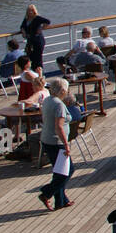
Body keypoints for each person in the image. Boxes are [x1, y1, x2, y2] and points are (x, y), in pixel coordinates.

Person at [37, 79, 74, 211]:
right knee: (67, 171)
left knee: (59, 171)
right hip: (56, 142)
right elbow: (59, 127)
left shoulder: (47, 100)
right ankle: (46, 192)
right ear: (63, 91)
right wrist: (66, 144)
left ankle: (61, 200)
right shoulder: (58, 104)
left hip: (47, 139)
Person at [19, 4, 51, 73]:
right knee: (31, 58)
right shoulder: (26, 19)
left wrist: (41, 28)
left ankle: (40, 77)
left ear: (34, 11)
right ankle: (35, 75)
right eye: (28, 11)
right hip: (30, 41)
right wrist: (23, 31)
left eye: (31, 11)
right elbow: (22, 26)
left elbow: (48, 21)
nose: (30, 12)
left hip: (38, 41)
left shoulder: (37, 18)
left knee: (38, 59)